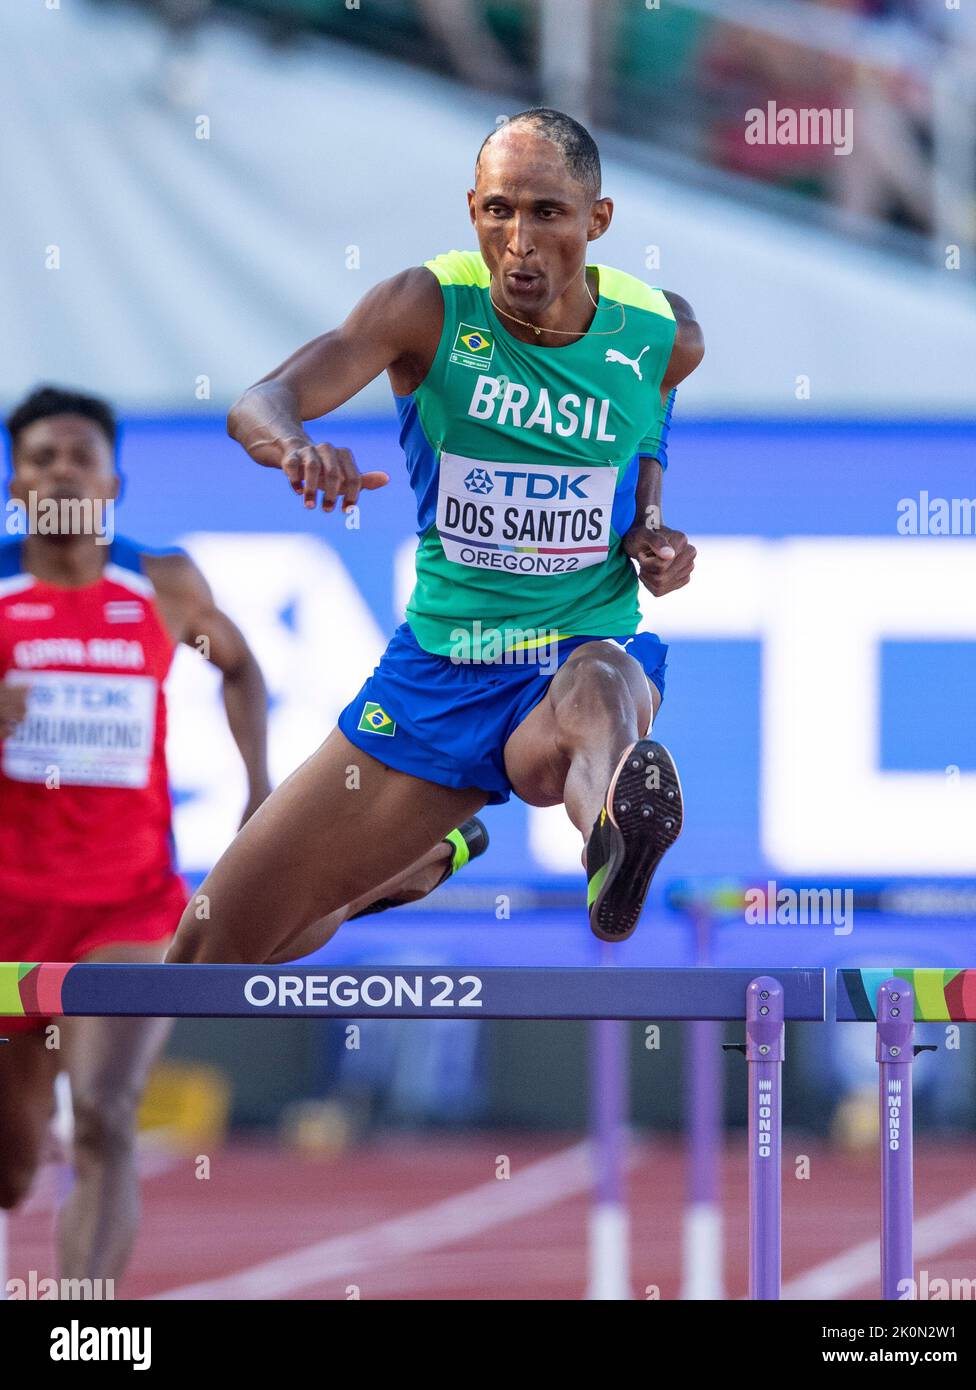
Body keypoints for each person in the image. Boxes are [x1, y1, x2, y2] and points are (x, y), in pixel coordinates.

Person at [168, 106, 703, 970]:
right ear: (472, 211)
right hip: (439, 674)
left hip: (569, 658)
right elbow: (257, 403)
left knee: (603, 677)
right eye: (499, 211)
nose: (519, 241)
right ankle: (404, 868)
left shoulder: (663, 335)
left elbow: (646, 431)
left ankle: (612, 837)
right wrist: (296, 446)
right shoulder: (427, 306)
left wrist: (648, 530)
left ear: (597, 222)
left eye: (547, 213)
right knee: (205, 959)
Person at [0, 385, 270, 1283]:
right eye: (42, 458)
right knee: (7, 1165)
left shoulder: (162, 585)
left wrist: (258, 788)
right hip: (6, 917)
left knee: (108, 1118)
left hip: (127, 907)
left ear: (114, 479)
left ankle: (83, 1324)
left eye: (81, 455)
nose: (62, 470)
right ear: (16, 481)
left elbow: (238, 666)